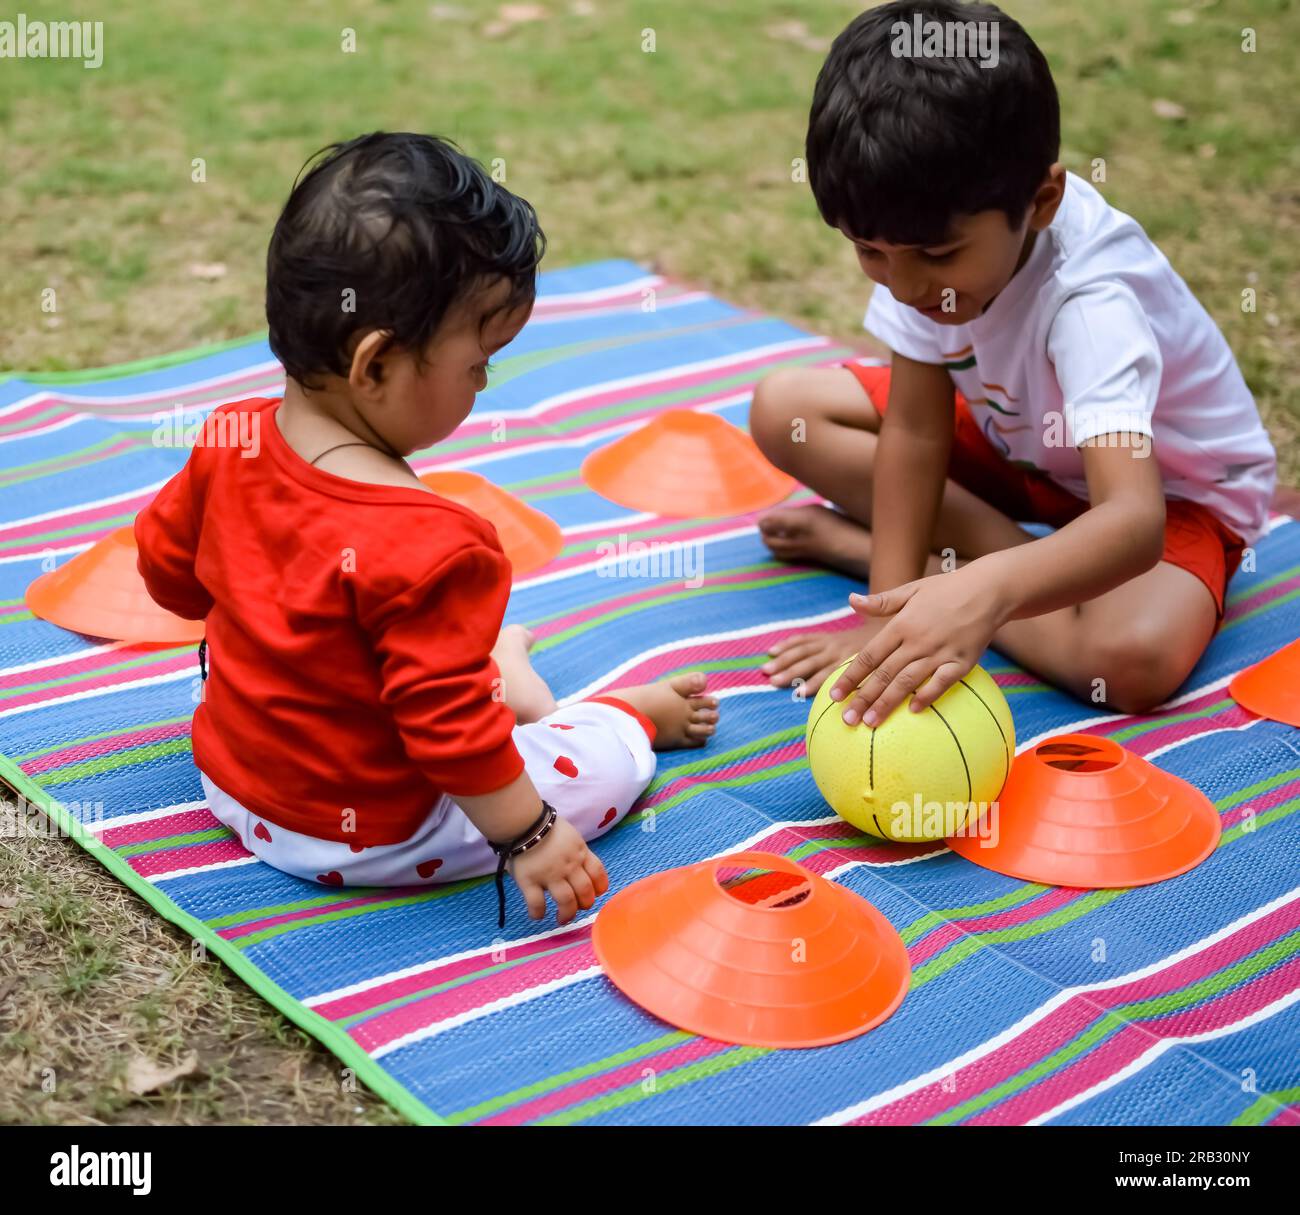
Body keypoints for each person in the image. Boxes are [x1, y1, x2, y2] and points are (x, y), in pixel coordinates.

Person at [135, 132, 719, 927]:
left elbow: (168, 570)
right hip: (368, 836)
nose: (483, 382)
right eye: (479, 362)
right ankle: (614, 710)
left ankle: (492, 669)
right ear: (375, 366)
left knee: (403, 664)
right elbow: (453, 741)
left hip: (234, 780)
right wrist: (533, 834)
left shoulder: (228, 437)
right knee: (598, 767)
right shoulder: (436, 543)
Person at [750, 0, 1276, 725]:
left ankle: (957, 585)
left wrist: (988, 591)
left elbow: (1131, 519)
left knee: (1131, 661)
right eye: (869, 251)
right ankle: (944, 591)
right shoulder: (925, 250)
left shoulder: (1092, 303)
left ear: (1043, 200)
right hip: (1028, 454)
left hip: (1168, 494)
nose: (905, 287)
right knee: (787, 410)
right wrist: (882, 611)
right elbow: (914, 432)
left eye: (936, 256)